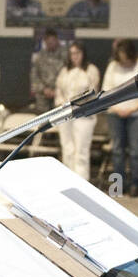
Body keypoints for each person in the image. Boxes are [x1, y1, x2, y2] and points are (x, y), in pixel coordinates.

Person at [102, 38, 138, 196]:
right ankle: (117, 185)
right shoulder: (112, 66)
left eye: (127, 59)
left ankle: (136, 184)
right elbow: (106, 91)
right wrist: (117, 109)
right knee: (117, 150)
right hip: (115, 113)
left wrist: (134, 108)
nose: (124, 63)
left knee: (135, 150)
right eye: (121, 59)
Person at [53, 41, 99, 180]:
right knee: (67, 149)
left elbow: (93, 92)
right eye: (72, 53)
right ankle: (67, 181)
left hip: (83, 115)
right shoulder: (64, 71)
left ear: (83, 54)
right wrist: (62, 104)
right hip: (65, 114)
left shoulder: (91, 70)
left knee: (81, 152)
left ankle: (82, 182)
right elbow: (59, 91)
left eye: (77, 53)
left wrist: (77, 105)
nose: (75, 56)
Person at [28, 28, 67, 114]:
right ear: (44, 41)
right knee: (42, 122)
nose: (51, 43)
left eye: (53, 40)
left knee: (59, 120)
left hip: (60, 95)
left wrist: (56, 91)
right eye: (48, 41)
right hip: (42, 97)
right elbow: (34, 76)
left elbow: (70, 75)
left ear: (57, 40)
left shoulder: (66, 55)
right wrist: (44, 89)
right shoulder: (39, 56)